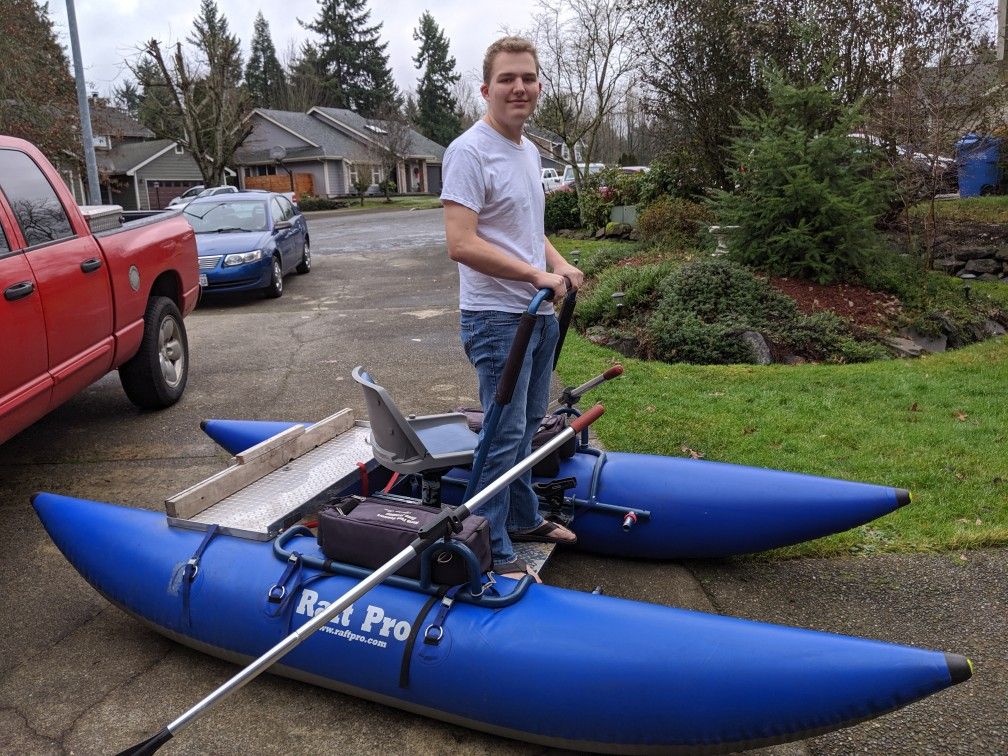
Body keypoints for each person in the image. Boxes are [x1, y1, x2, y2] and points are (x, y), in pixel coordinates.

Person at [441, 36, 584, 582]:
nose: (518, 87)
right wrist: (534, 276)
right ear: (486, 89)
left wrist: (560, 265)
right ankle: (490, 543)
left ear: (539, 87)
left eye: (527, 77)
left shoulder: (529, 151)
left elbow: (531, 233)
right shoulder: (469, 151)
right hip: (497, 319)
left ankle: (522, 519)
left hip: (538, 312)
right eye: (507, 79)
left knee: (526, 427)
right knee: (502, 433)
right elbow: (461, 242)